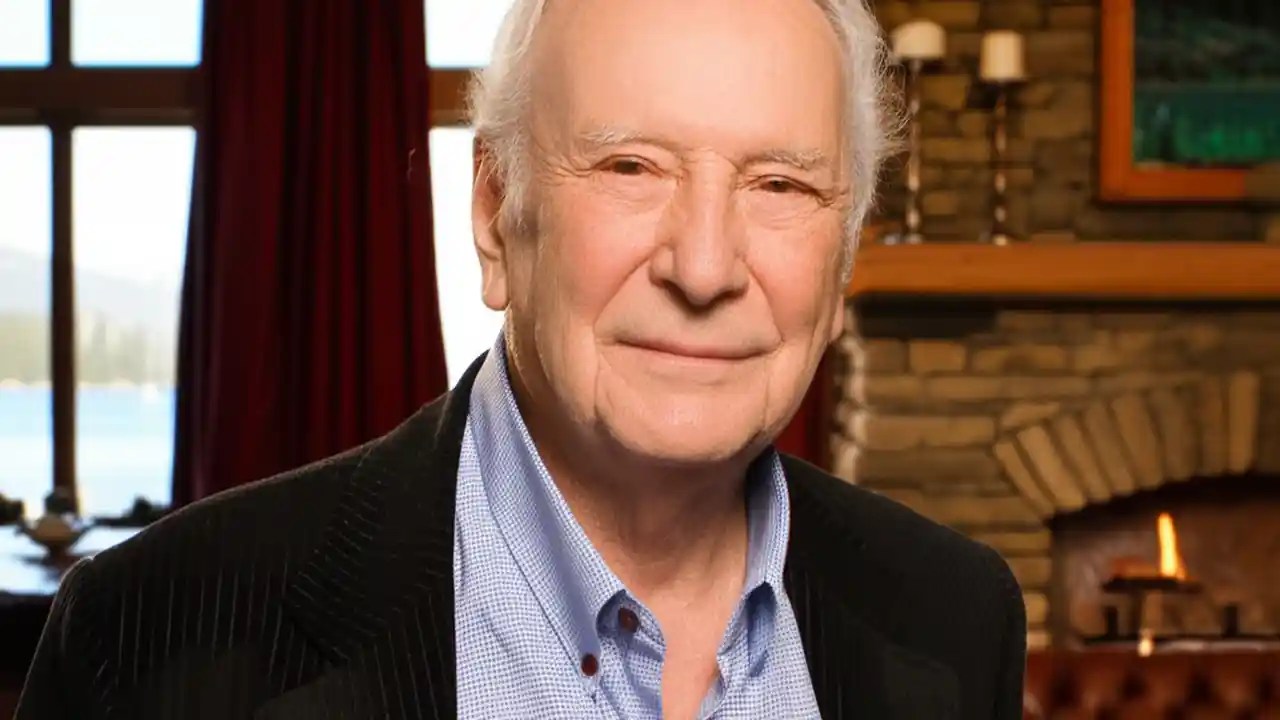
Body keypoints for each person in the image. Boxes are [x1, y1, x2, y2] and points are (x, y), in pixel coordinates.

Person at [16, 0, 1026, 718]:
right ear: (496, 214)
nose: (705, 267)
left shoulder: (955, 619)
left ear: (842, 256)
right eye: (630, 166)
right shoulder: (151, 640)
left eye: (780, 185)